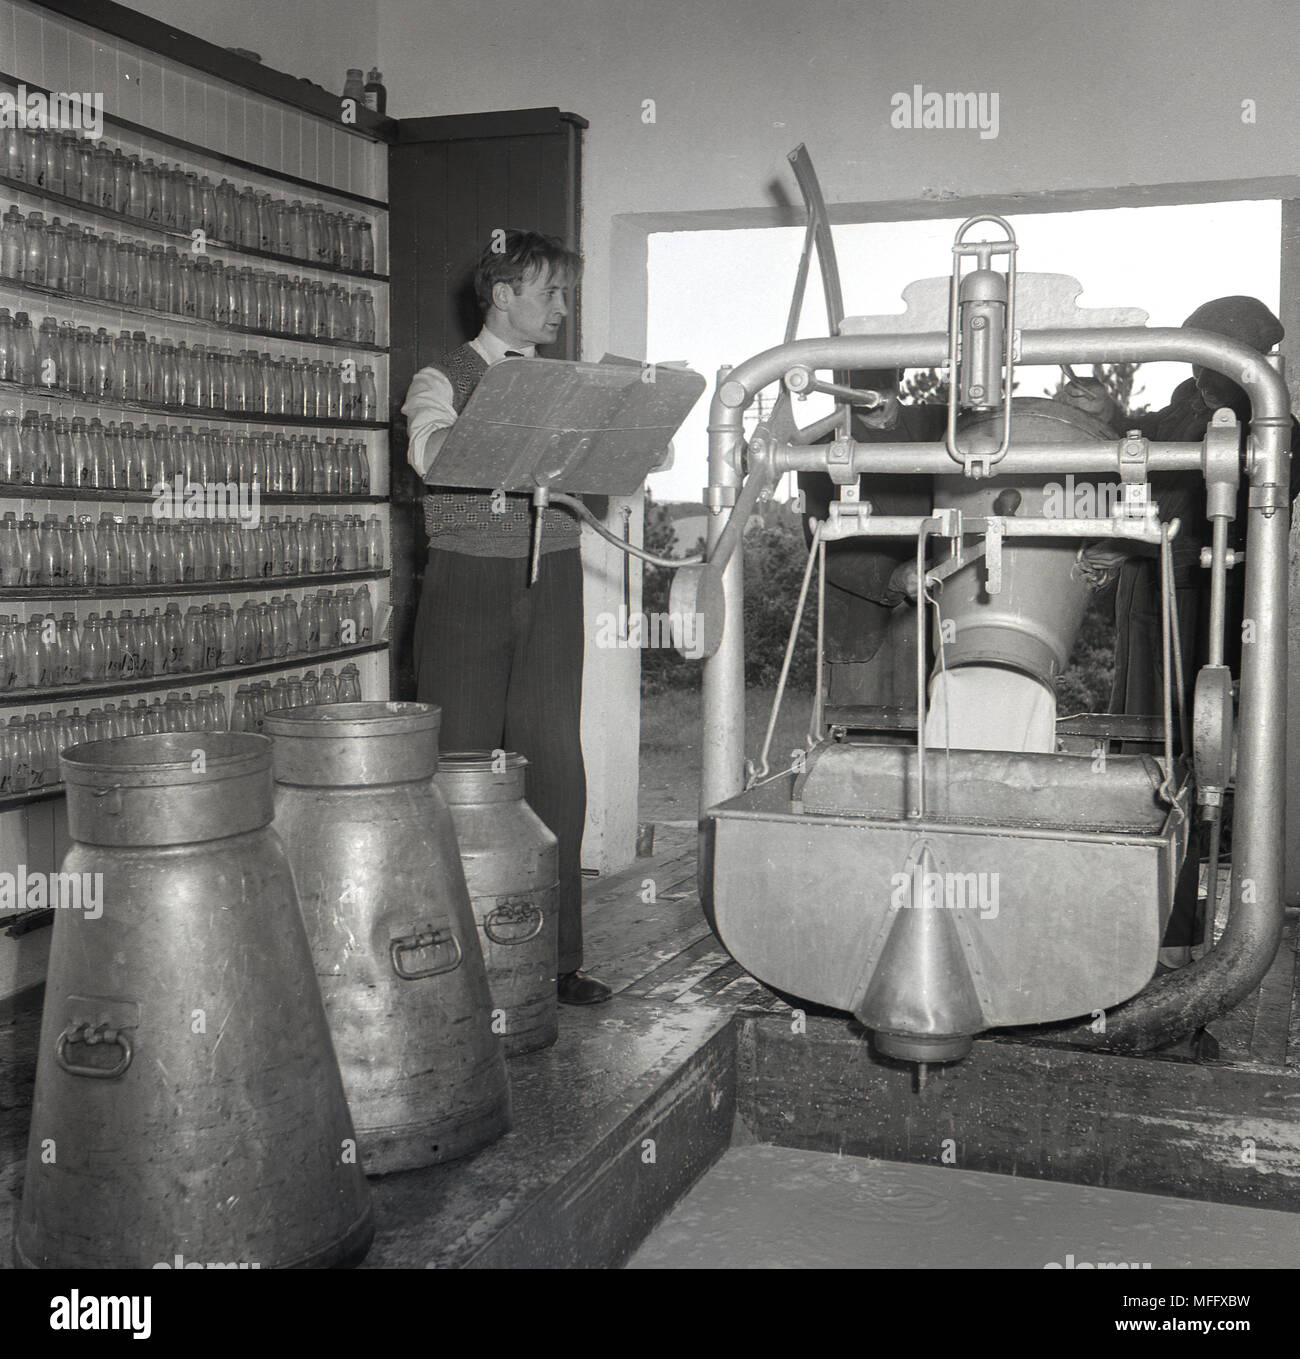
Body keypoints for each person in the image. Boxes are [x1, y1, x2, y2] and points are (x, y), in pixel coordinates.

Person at [401, 229, 611, 1005]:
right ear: (504, 295)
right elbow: (431, 451)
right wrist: (515, 420)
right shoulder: (440, 376)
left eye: (565, 293)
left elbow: (604, 468)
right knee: (460, 767)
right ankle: (453, 961)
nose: (563, 306)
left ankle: (558, 959)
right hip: (467, 582)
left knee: (554, 761)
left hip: (551, 575)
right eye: (551, 291)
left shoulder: (566, 381)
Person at [1083, 296, 1300, 969]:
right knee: (1146, 772)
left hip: (1214, 621)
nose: (1202, 369)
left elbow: (1208, 495)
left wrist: (1136, 537)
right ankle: (1132, 928)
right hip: (1154, 613)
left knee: (1199, 772)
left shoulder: (1272, 421)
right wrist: (1103, 419)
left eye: (1210, 353)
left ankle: (1180, 942)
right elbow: (1137, 460)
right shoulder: (1186, 404)